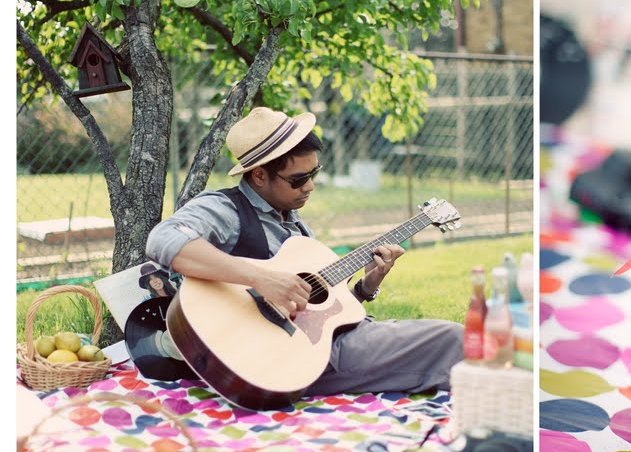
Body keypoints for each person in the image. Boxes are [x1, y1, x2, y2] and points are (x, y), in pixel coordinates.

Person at [146, 107, 463, 396]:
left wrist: (368, 286)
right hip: (278, 360)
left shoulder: (290, 221)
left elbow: (320, 317)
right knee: (452, 339)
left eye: (314, 173)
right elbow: (164, 238)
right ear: (258, 175)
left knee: (451, 337)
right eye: (299, 179)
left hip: (317, 349)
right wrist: (262, 278)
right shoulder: (225, 208)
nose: (309, 186)